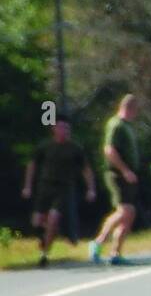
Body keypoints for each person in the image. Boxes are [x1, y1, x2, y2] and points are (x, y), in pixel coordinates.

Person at [22, 117, 95, 267]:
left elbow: (86, 169)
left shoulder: (75, 148)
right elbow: (32, 165)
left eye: (67, 128)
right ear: (54, 129)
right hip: (45, 187)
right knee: (37, 222)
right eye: (61, 127)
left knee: (53, 218)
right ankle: (48, 234)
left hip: (64, 189)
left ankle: (44, 255)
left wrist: (91, 189)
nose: (64, 131)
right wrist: (27, 186)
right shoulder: (45, 146)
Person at [89, 94, 142, 266]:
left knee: (130, 213)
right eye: (136, 110)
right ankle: (98, 242)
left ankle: (116, 253)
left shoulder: (127, 126)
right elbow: (109, 150)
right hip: (117, 174)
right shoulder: (116, 124)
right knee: (124, 210)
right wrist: (125, 170)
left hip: (129, 175)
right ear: (130, 108)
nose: (137, 114)